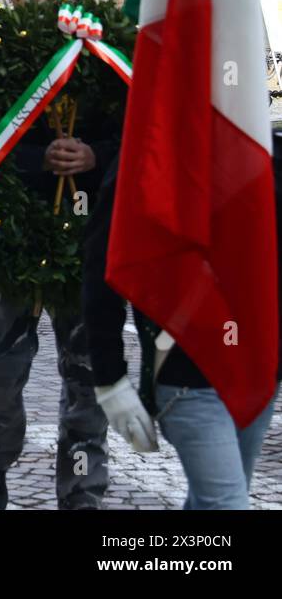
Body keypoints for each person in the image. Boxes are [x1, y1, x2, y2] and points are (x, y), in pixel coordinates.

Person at [0, 0, 114, 511]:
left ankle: (81, 494)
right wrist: (41, 162)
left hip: (87, 247)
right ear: (15, 0)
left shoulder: (102, 62)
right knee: (3, 372)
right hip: (13, 245)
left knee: (88, 380)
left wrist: (93, 155)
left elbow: (139, 138)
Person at [84, 139, 282, 510]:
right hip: (186, 371)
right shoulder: (149, 153)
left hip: (258, 370)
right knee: (225, 504)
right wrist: (109, 378)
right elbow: (102, 269)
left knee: (214, 499)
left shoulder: (260, 143)